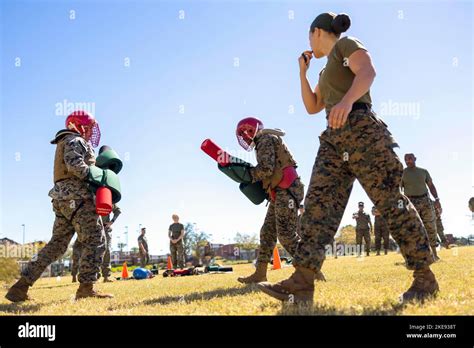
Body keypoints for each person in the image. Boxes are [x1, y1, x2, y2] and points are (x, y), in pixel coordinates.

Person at [257, 12, 438, 305]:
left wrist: (347, 100)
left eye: (308, 36)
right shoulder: (323, 69)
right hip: (333, 137)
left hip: (362, 129)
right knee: (317, 206)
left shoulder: (345, 45)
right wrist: (302, 74)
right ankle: (302, 281)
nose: (308, 42)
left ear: (316, 32)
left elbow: (367, 72)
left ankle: (424, 278)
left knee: (390, 200)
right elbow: (313, 106)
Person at [5, 111, 112, 302]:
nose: (89, 133)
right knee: (96, 239)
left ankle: (19, 287)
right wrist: (101, 177)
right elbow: (75, 166)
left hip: (63, 201)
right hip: (77, 199)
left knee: (56, 246)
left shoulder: (66, 140)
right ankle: (86, 288)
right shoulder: (75, 140)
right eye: (87, 128)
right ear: (76, 125)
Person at [232, 118, 325, 284]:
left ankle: (312, 270)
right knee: (267, 232)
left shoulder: (265, 140)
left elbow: (266, 168)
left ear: (251, 131)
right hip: (280, 191)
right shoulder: (264, 140)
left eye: (244, 134)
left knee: (286, 234)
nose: (244, 139)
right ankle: (260, 274)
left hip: (286, 189)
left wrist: (248, 175)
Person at [401, 153, 441, 260]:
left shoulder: (423, 171)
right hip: (411, 202)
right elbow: (399, 190)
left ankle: (434, 254)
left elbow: (431, 186)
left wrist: (437, 199)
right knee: (412, 228)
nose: (408, 161)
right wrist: (400, 205)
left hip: (425, 201)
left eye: (410, 159)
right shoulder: (402, 173)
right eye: (406, 159)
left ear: (415, 159)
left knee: (431, 227)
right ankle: (415, 256)